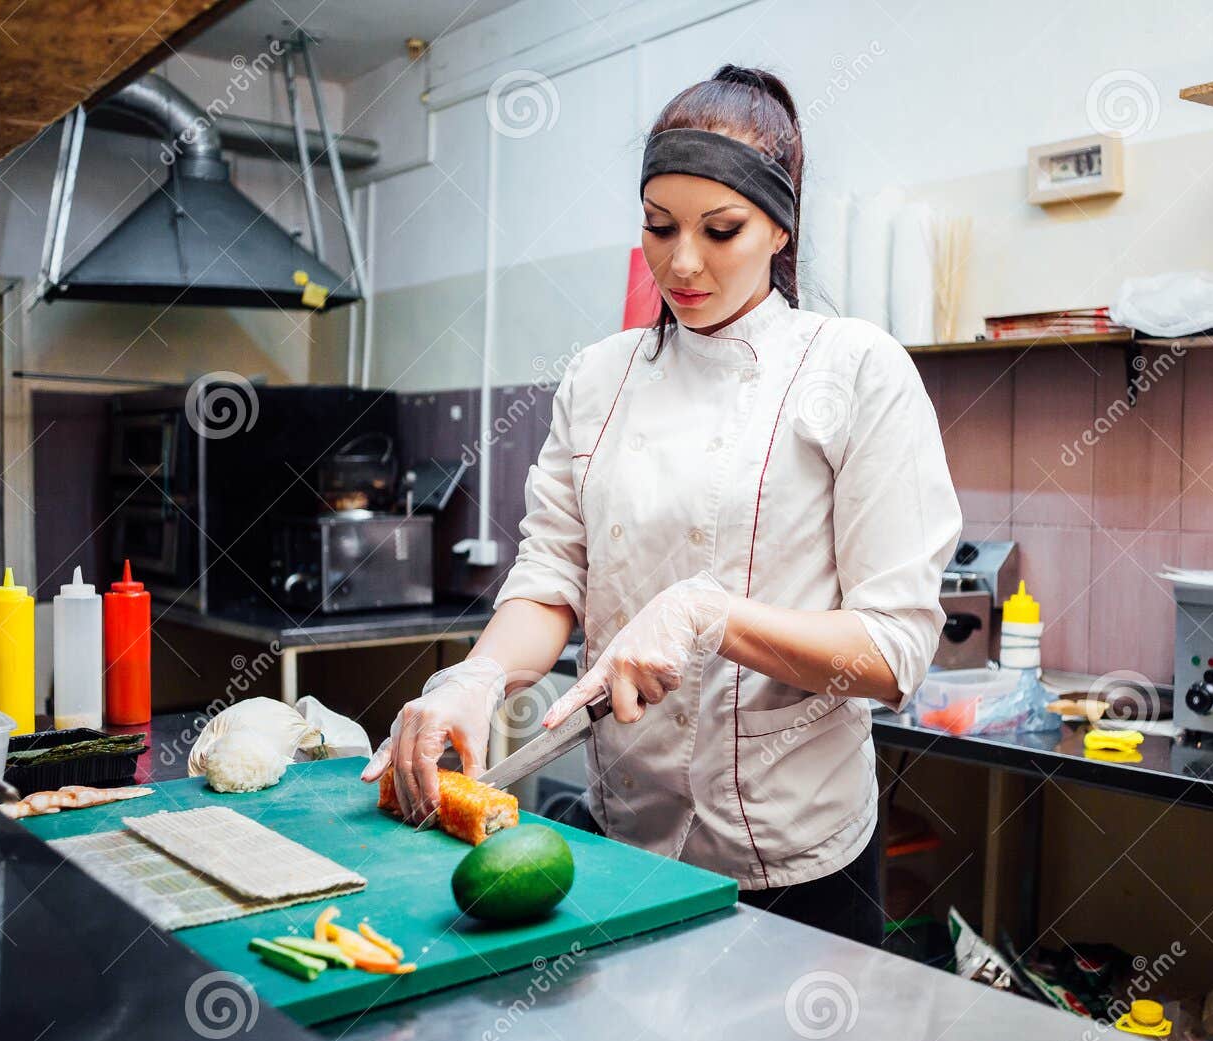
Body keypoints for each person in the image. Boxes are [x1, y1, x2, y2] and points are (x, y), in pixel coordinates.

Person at [364, 63, 962, 945]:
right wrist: (479, 676)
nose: (682, 263)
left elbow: (893, 650)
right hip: (626, 839)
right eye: (659, 226)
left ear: (779, 227)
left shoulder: (856, 370)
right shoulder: (598, 379)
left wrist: (705, 614)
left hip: (796, 860)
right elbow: (550, 579)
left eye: (721, 230)